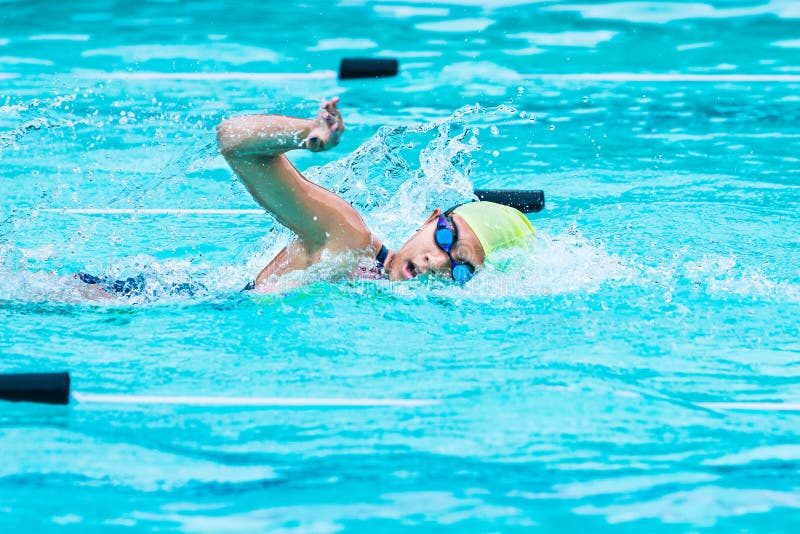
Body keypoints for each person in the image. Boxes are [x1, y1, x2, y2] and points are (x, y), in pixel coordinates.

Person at [215, 97, 536, 292]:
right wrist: (305, 133)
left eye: (461, 270)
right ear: (431, 220)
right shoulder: (348, 240)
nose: (437, 261)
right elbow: (231, 140)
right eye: (445, 237)